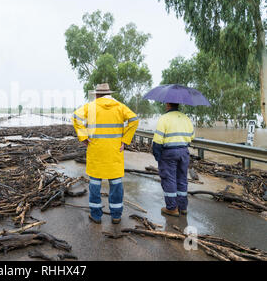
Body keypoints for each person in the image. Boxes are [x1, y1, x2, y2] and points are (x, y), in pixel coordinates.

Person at [71, 83, 139, 224]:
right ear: (109, 94)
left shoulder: (90, 106)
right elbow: (134, 120)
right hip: (115, 152)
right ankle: (116, 216)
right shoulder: (120, 106)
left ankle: (96, 216)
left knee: (95, 185)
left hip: (96, 151)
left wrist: (83, 137)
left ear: (96, 94)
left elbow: (76, 117)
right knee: (116, 184)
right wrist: (125, 140)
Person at [152, 102, 195, 217]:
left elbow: (158, 140)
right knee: (182, 179)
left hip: (169, 153)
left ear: (168, 105)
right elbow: (192, 137)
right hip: (184, 152)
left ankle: (172, 208)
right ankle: (182, 207)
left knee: (169, 179)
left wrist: (157, 156)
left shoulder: (164, 118)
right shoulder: (186, 118)